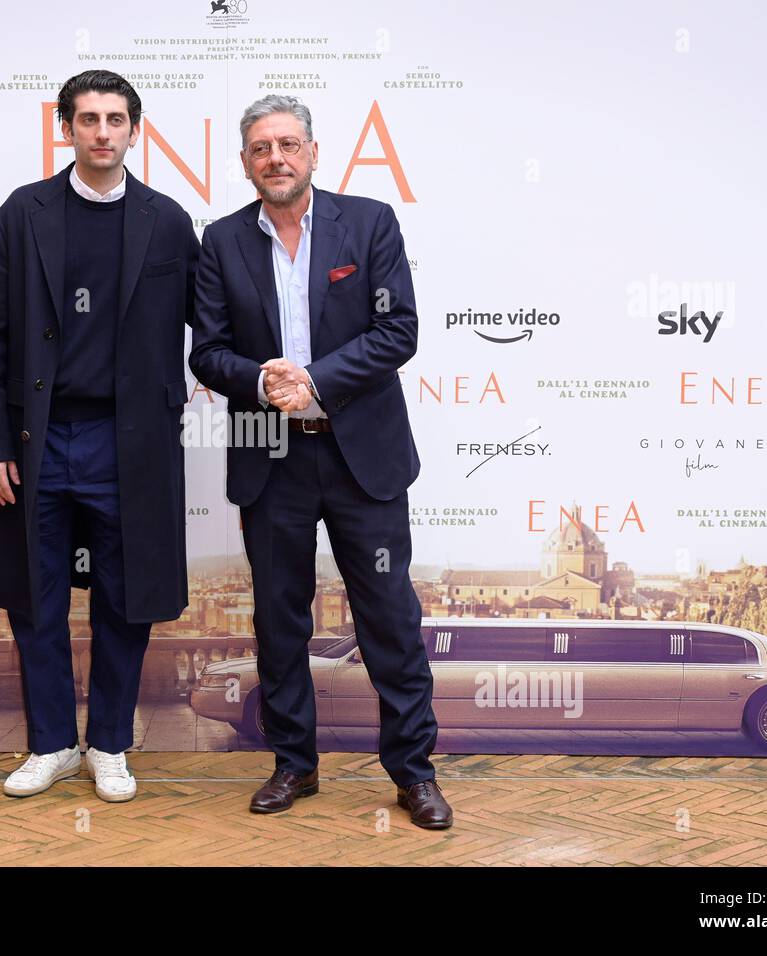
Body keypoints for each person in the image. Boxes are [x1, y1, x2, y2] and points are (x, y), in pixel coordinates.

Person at [188, 94, 451, 829]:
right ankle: (293, 765)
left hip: (360, 454)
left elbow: (399, 330)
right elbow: (206, 350)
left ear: (312, 152)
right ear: (245, 162)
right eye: (261, 148)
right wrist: (258, 380)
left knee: (389, 618)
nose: (276, 158)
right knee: (279, 621)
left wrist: (315, 378)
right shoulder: (221, 242)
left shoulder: (368, 223)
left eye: (288, 144)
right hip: (270, 456)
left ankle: (414, 773)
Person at [0, 69, 198, 803]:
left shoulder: (168, 221)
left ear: (135, 130)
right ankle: (50, 745)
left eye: (117, 119)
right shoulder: (22, 212)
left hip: (131, 443)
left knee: (126, 600)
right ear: (65, 127)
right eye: (89, 118)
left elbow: (215, 323)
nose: (103, 131)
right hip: (39, 442)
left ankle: (109, 745)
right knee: (34, 599)